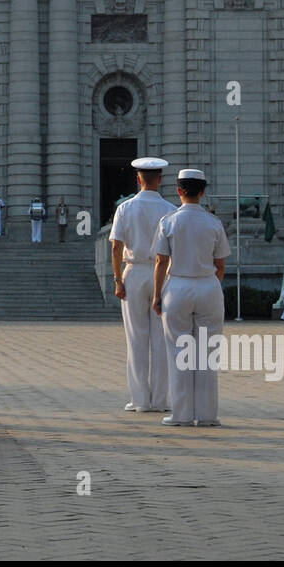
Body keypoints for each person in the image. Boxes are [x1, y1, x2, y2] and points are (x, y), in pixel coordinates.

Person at [154, 169, 231, 426]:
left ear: (178, 191)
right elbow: (220, 264)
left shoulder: (169, 221)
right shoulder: (214, 223)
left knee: (178, 352)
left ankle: (181, 414)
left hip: (177, 286)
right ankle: (208, 415)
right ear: (202, 191)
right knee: (208, 353)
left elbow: (160, 262)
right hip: (208, 286)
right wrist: (209, 284)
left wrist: (157, 295)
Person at [109, 157, 175, 413]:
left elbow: (115, 246)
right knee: (161, 339)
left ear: (138, 179)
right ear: (160, 179)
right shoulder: (170, 209)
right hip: (163, 273)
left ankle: (140, 400)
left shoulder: (125, 208)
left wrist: (117, 279)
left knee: (136, 338)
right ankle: (160, 400)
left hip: (134, 272)